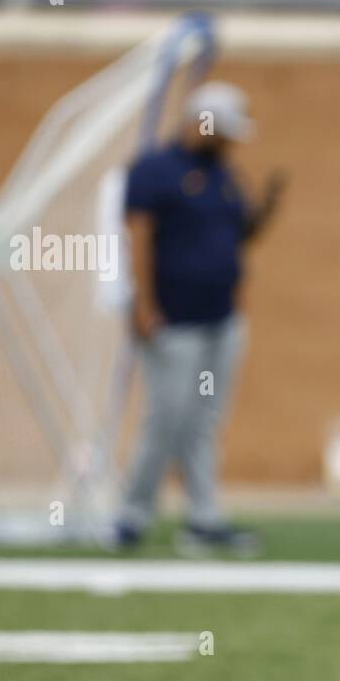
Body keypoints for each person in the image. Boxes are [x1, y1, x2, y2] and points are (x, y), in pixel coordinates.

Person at [113, 81, 284, 554]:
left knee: (205, 420)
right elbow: (139, 239)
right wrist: (144, 304)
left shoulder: (224, 176)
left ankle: (203, 519)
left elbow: (238, 235)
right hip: (174, 320)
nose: (230, 141)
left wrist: (266, 210)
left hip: (221, 319)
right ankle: (132, 514)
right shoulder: (154, 172)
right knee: (166, 417)